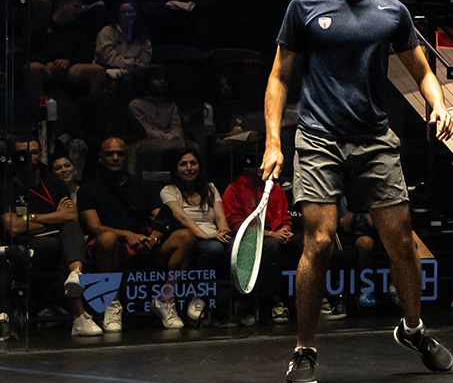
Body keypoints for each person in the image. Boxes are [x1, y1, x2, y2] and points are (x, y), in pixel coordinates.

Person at [263, 0, 453, 383]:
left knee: (401, 238)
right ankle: (305, 349)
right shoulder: (303, 7)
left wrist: (440, 105)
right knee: (321, 242)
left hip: (373, 139)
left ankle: (412, 330)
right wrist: (273, 139)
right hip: (318, 137)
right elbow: (278, 77)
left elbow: (424, 72)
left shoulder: (392, 11)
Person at [78, 137, 197, 331]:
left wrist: (154, 238)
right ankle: (111, 303)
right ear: (100, 158)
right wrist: (127, 235)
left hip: (145, 242)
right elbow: (94, 227)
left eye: (120, 154)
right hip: (112, 245)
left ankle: (165, 299)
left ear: (127, 157)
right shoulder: (88, 189)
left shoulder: (144, 186)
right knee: (107, 239)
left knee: (186, 236)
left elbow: (163, 217)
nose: (115, 158)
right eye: (110, 154)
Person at [3, 136, 100, 336]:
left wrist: (29, 219)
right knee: (68, 239)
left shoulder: (54, 183)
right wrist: (55, 217)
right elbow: (13, 228)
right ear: (14, 156)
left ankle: (76, 275)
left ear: (40, 155)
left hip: (59, 240)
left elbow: (71, 215)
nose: (29, 158)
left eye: (34, 152)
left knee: (72, 229)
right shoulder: (5, 187)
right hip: (26, 246)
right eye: (23, 153)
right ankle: (79, 317)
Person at [159, 149, 231, 324]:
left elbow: (220, 216)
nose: (189, 168)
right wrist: (202, 234)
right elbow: (181, 216)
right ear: (176, 170)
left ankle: (228, 303)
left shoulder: (210, 188)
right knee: (214, 249)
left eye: (193, 163)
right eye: (183, 164)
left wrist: (223, 231)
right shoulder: (169, 190)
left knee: (236, 249)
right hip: (190, 235)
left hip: (214, 233)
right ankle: (196, 297)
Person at [222, 154, 293, 324]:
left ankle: (313, 300)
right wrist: (271, 235)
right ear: (247, 170)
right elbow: (236, 225)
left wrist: (286, 230)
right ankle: (271, 302)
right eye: (258, 166)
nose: (262, 169)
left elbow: (286, 218)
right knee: (270, 245)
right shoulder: (233, 189)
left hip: (275, 235)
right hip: (246, 238)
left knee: (300, 242)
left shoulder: (276, 189)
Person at [94, 0, 153, 88]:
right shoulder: (107, 32)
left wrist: (125, 71)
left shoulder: (143, 37)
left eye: (130, 12)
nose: (127, 15)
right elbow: (108, 58)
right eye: (123, 12)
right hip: (107, 71)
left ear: (136, 15)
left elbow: (144, 62)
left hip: (135, 74)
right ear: (118, 15)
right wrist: (132, 64)